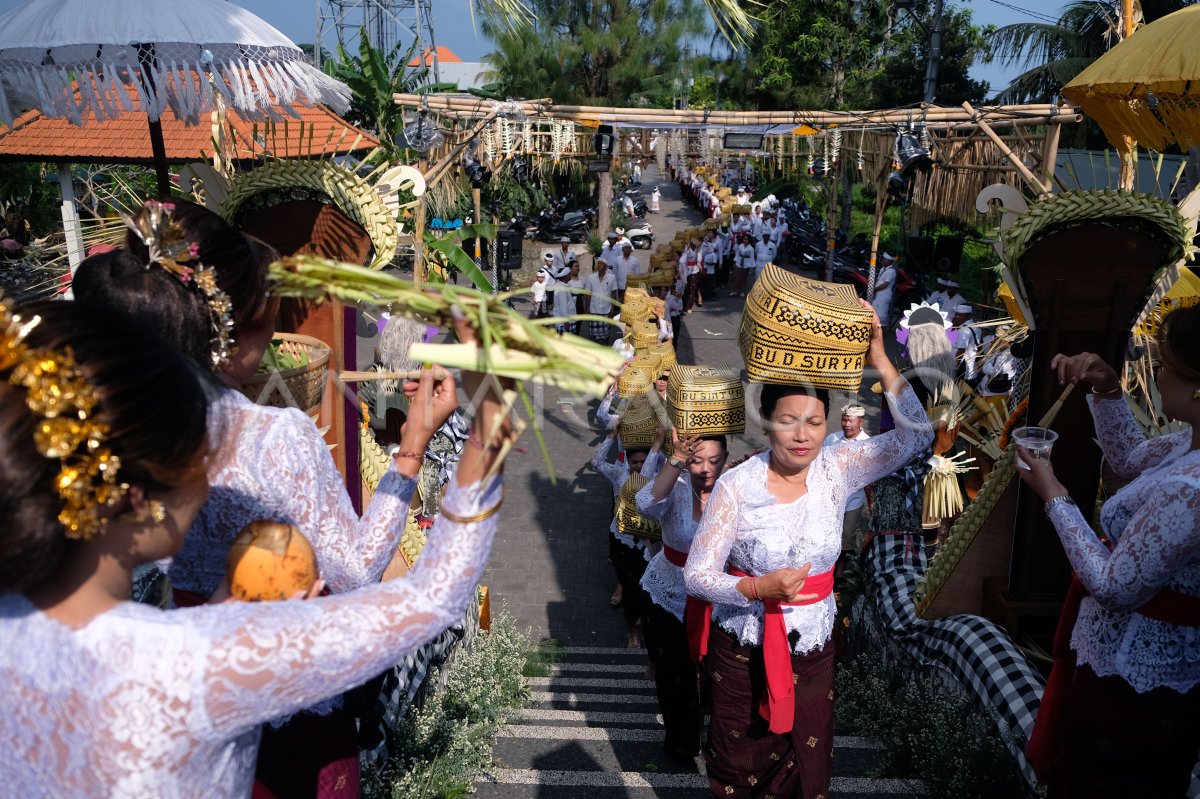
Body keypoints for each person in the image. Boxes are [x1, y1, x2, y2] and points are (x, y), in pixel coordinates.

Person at [0, 298, 517, 797]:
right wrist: (489, 415)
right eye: (193, 453)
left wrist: (229, 608)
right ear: (137, 496)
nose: (207, 475)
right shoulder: (199, 662)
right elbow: (433, 597)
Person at [72, 199, 432, 794]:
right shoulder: (274, 439)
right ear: (232, 337)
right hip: (285, 712)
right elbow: (354, 571)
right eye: (271, 319)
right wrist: (413, 445)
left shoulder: (107, 428)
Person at [683, 302, 933, 799]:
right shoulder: (737, 487)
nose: (803, 436)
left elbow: (918, 438)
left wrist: (881, 360)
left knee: (808, 769)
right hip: (743, 652)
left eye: (816, 422)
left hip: (813, 651)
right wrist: (757, 587)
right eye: (789, 421)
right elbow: (696, 576)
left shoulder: (839, 469)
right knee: (739, 773)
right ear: (767, 424)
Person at [1018, 305, 1200, 798]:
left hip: (1138, 693)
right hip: (1114, 668)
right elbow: (1129, 459)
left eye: (1165, 365)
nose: (1158, 374)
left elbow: (1114, 586)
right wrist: (1107, 390)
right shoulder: (1188, 444)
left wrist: (1053, 493)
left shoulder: (1192, 488)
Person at [637, 430, 729, 759]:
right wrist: (674, 460)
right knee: (673, 671)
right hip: (668, 589)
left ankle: (721, 741)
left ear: (725, 462)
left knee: (719, 672)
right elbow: (644, 504)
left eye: (714, 461)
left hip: (717, 594)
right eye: (697, 461)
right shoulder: (675, 486)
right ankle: (681, 741)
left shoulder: (733, 488)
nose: (705, 468)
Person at [591, 427, 663, 646]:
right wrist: (611, 437)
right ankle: (631, 628)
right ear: (627, 462)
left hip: (647, 542)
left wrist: (660, 443)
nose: (639, 466)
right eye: (634, 462)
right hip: (621, 539)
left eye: (643, 461)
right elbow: (596, 463)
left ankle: (643, 621)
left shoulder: (654, 477)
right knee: (629, 585)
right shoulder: (619, 475)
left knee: (645, 587)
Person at [823, 405, 871, 554]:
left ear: (861, 422)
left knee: (847, 533)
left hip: (854, 498)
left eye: (850, 421)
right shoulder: (832, 439)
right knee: (829, 532)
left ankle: (841, 571)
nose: (847, 425)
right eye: (844, 420)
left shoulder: (868, 444)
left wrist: (872, 500)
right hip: (831, 497)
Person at [585, 259, 618, 344]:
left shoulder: (612, 278)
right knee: (593, 334)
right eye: (598, 264)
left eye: (601, 264)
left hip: (606, 310)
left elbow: (613, 294)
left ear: (606, 267)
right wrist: (587, 308)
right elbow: (588, 294)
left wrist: (612, 309)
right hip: (594, 310)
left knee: (605, 334)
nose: (599, 265)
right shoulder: (591, 278)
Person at [872, 252, 898, 326]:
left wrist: (874, 289)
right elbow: (878, 280)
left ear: (889, 261)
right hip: (878, 294)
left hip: (884, 295)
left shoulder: (891, 271)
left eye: (884, 259)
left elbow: (885, 285)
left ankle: (883, 334)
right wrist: (874, 290)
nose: (882, 261)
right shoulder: (882, 269)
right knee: (875, 314)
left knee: (881, 317)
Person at [550, 264, 576, 334]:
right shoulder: (562, 289)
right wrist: (566, 321)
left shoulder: (560, 286)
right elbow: (563, 306)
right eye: (569, 274)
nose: (571, 275)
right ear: (565, 276)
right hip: (565, 322)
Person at [679, 239, 702, 314]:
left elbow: (699, 259)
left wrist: (698, 251)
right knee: (684, 289)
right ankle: (682, 306)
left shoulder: (697, 250)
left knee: (692, 288)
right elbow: (683, 260)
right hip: (686, 270)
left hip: (694, 270)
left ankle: (689, 306)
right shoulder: (686, 249)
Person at [733, 232, 756, 297]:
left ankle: (742, 291)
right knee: (737, 277)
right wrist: (735, 262)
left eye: (746, 239)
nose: (745, 241)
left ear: (749, 240)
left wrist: (751, 268)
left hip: (746, 263)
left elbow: (752, 258)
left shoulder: (751, 248)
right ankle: (736, 290)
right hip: (739, 262)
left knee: (743, 278)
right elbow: (737, 254)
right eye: (744, 239)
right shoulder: (740, 246)